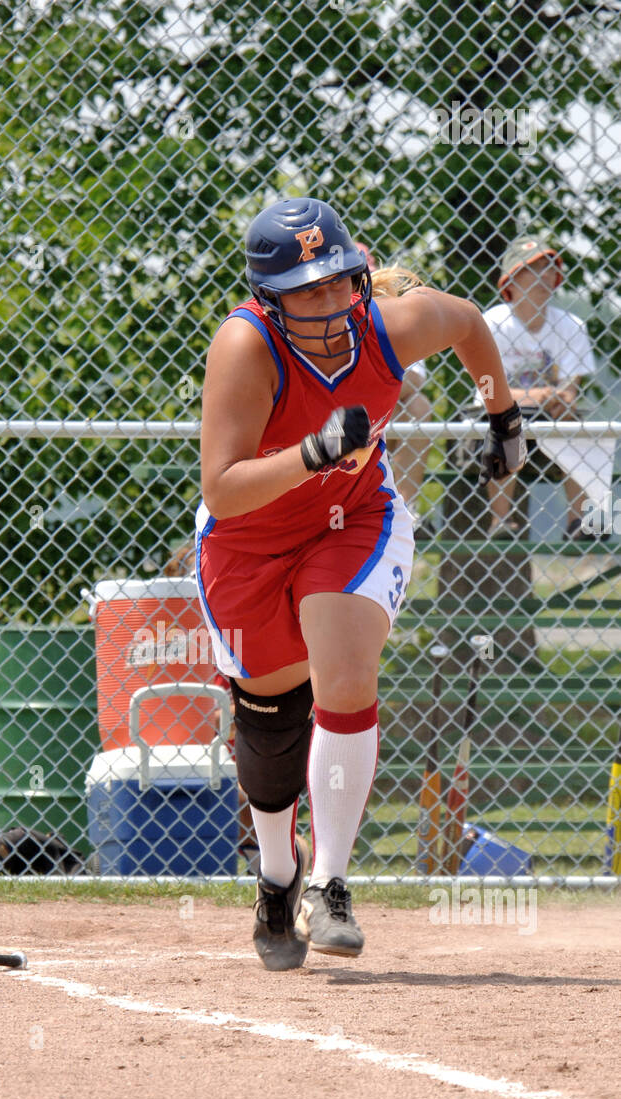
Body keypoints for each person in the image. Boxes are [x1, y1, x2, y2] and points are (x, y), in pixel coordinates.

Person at [195, 196, 524, 971]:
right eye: (306, 290)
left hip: (353, 522)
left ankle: (332, 882)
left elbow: (472, 323)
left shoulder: (389, 326)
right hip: (248, 543)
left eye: (340, 280)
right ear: (268, 298)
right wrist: (312, 451)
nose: (330, 300)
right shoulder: (246, 347)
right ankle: (279, 877)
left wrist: (502, 416)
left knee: (344, 674)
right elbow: (224, 489)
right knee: (270, 723)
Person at [478, 234, 604, 539]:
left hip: (552, 417)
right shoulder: (493, 322)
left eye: (549, 268)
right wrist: (540, 395)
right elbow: (489, 393)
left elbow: (570, 391)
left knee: (575, 424)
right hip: (503, 413)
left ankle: (579, 522)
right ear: (511, 280)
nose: (544, 276)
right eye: (532, 269)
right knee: (503, 422)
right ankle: (502, 522)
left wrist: (558, 398)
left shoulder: (571, 325)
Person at [356, 243, 434, 523]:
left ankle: (402, 506)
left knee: (420, 405)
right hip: (342, 411)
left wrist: (378, 382)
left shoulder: (395, 320)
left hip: (386, 406)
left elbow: (414, 380)